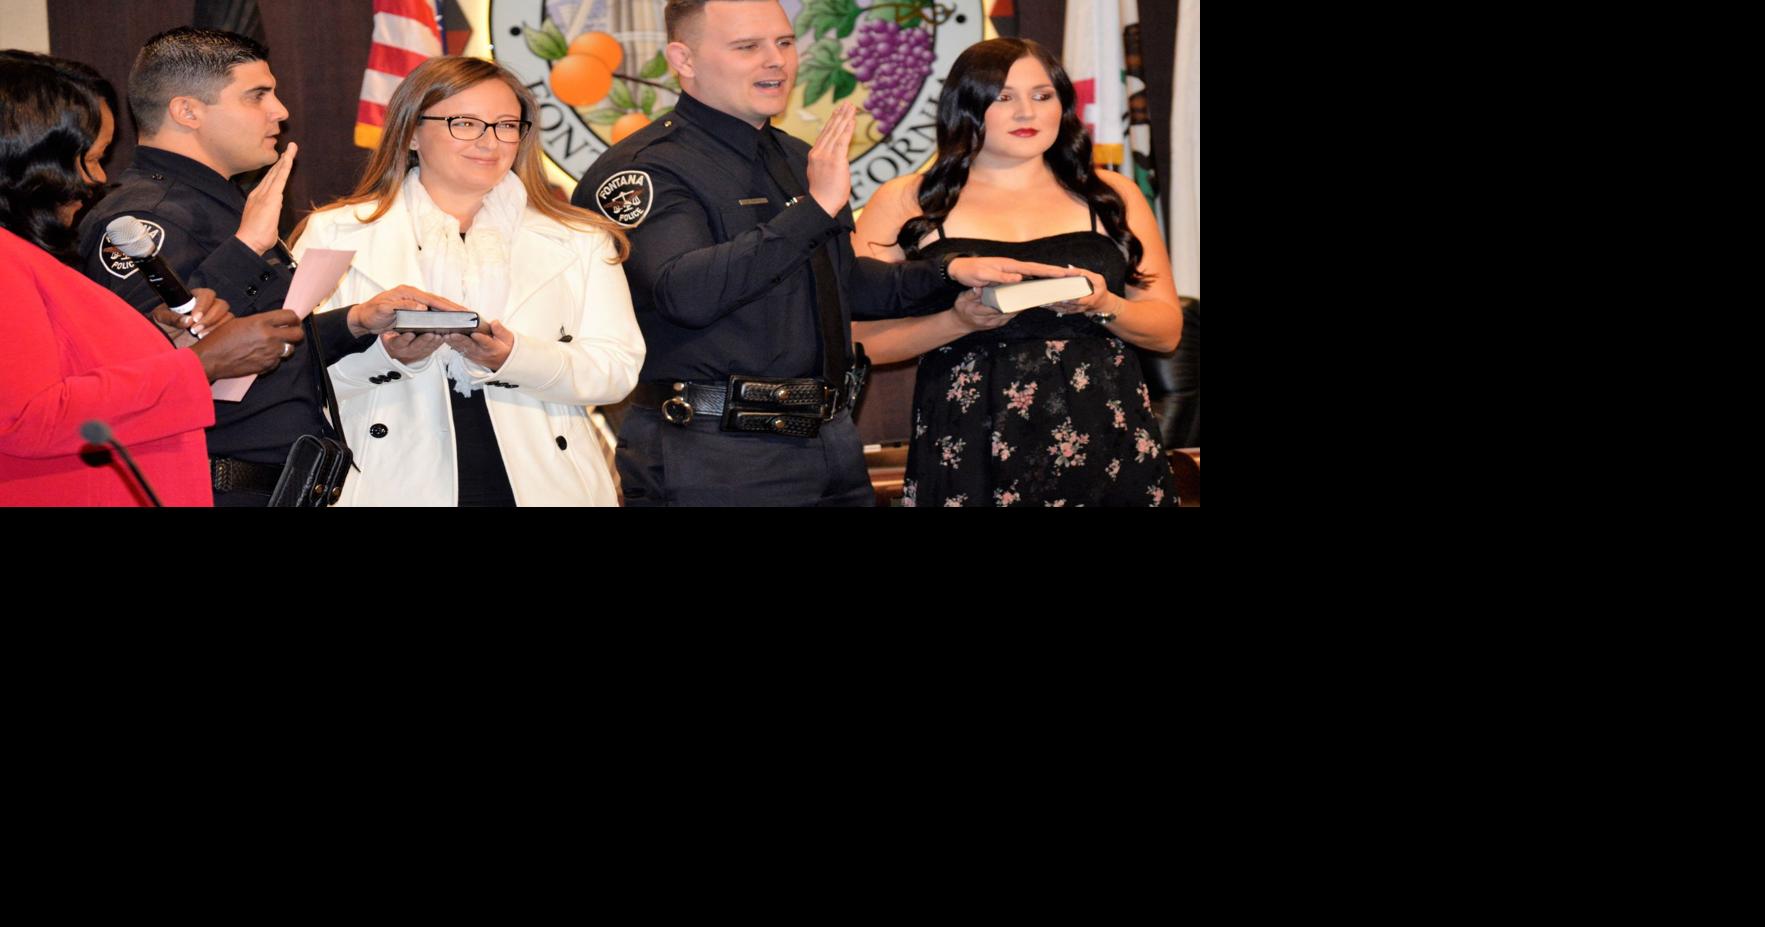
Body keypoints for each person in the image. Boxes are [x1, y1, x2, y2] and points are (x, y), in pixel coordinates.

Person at [574, 0, 1071, 506]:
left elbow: (842, 282)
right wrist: (815, 207)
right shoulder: (645, 170)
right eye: (748, 47)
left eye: (784, 43)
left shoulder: (795, 156)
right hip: (714, 450)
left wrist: (949, 273)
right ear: (683, 59)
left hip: (830, 439)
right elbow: (686, 293)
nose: (776, 60)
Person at [76, 27, 415, 506]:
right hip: (212, 487)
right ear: (187, 110)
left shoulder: (221, 203)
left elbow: (265, 353)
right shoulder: (142, 218)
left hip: (281, 483)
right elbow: (154, 365)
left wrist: (356, 323)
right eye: (257, 95)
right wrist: (246, 247)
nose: (280, 111)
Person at [292, 56, 643, 506]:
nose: (489, 141)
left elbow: (616, 371)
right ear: (412, 131)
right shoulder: (336, 231)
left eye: (505, 125)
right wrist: (387, 357)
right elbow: (287, 377)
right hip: (388, 481)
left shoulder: (580, 239)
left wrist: (513, 357)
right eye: (465, 123)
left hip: (545, 483)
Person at [851, 38, 1184, 507]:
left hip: (1107, 435)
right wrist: (958, 322)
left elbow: (1166, 333)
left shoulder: (1112, 195)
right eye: (1004, 97)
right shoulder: (907, 200)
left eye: (1042, 96)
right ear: (966, 106)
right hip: (968, 439)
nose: (1026, 112)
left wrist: (1105, 304)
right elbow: (855, 340)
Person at [1, 55, 302, 506]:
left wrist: (158, 340)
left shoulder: (24, 255)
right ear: (32, 158)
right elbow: (26, 420)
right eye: (90, 158)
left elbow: (71, 370)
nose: (97, 179)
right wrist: (201, 364)